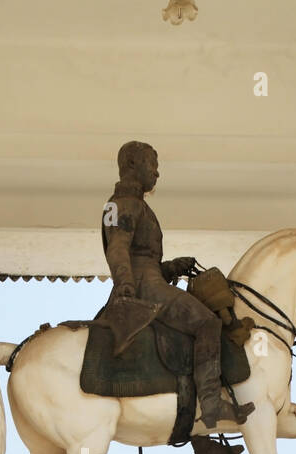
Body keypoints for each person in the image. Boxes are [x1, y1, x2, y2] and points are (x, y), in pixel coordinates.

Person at [100, 140, 253, 429]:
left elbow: (139, 257)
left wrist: (171, 267)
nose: (156, 173)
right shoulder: (123, 203)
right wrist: (125, 286)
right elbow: (118, 247)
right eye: (152, 164)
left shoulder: (132, 205)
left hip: (149, 280)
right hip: (145, 288)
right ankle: (210, 402)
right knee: (207, 322)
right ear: (132, 165)